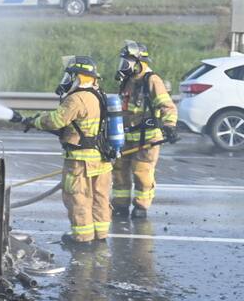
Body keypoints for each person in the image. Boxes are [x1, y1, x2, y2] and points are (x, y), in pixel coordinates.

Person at [12, 56, 112, 248]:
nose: (68, 79)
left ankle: (82, 239)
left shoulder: (77, 98)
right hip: (102, 158)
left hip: (80, 160)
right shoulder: (99, 95)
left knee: (78, 198)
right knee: (100, 198)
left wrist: (34, 121)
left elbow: (56, 121)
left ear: (80, 77)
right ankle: (100, 235)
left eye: (71, 75)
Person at [112, 41, 177, 220]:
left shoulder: (152, 80)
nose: (124, 66)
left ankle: (141, 207)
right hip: (125, 136)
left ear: (139, 61)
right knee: (119, 170)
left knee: (142, 173)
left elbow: (167, 106)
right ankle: (120, 205)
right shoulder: (127, 81)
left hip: (146, 138)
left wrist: (169, 125)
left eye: (127, 62)